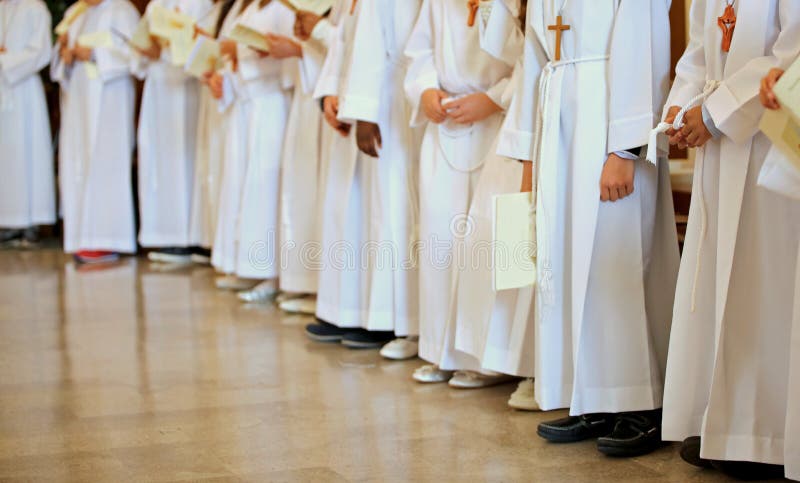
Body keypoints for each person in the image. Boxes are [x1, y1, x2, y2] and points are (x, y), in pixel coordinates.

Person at [500, 0, 678, 456]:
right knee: (569, 260)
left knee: (615, 255)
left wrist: (625, 149)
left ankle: (640, 402)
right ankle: (593, 396)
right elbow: (533, 62)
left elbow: (646, 47)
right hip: (557, 121)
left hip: (607, 124)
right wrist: (528, 153)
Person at [661, 0, 800, 475]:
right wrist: (681, 107)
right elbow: (698, 49)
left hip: (769, 138)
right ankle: (726, 423)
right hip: (717, 144)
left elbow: (790, 53)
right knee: (718, 278)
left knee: (764, 285)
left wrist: (716, 112)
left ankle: (767, 434)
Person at [403, 0, 519, 383]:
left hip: (499, 121)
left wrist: (493, 98)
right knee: (440, 238)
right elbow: (418, 51)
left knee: (488, 242)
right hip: (448, 119)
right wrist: (425, 90)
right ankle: (441, 350)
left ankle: (487, 359)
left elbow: (528, 57)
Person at [334, 0, 423, 357]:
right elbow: (369, 39)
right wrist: (364, 113)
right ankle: (398, 320)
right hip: (394, 99)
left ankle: (426, 323)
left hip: (435, 90)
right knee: (395, 208)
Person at [207, 0, 295, 299]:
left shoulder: (284, 8)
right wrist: (224, 81)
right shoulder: (248, 9)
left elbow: (289, 60)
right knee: (241, 187)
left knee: (265, 187)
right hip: (247, 107)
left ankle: (272, 272)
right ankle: (246, 266)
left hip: (271, 105)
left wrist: (240, 51)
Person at [51, 0, 140, 265]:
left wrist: (95, 55)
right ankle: (81, 236)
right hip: (78, 97)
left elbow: (134, 56)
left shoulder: (122, 11)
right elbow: (58, 59)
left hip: (109, 98)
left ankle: (108, 238)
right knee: (78, 161)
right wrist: (65, 55)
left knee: (105, 163)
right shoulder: (75, 12)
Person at [134, 0, 213, 265]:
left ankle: (190, 238)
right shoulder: (156, 5)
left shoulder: (200, 4)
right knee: (159, 163)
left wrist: (169, 50)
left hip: (185, 90)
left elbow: (204, 46)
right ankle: (164, 234)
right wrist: (147, 51)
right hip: (157, 89)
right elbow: (139, 48)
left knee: (185, 162)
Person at [273, 9, 329, 315]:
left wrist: (300, 47)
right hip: (309, 95)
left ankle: (319, 286)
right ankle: (307, 282)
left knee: (318, 190)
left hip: (329, 95)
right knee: (304, 190)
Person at [0, 0, 54, 247]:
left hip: (24, 89)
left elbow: (41, 51)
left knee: (27, 153)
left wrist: (7, 59)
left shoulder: (35, 8)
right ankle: (6, 220)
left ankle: (30, 221)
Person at [187, 0, 236, 265]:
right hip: (225, 91)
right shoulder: (227, 8)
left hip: (246, 95)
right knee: (217, 169)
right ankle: (220, 249)